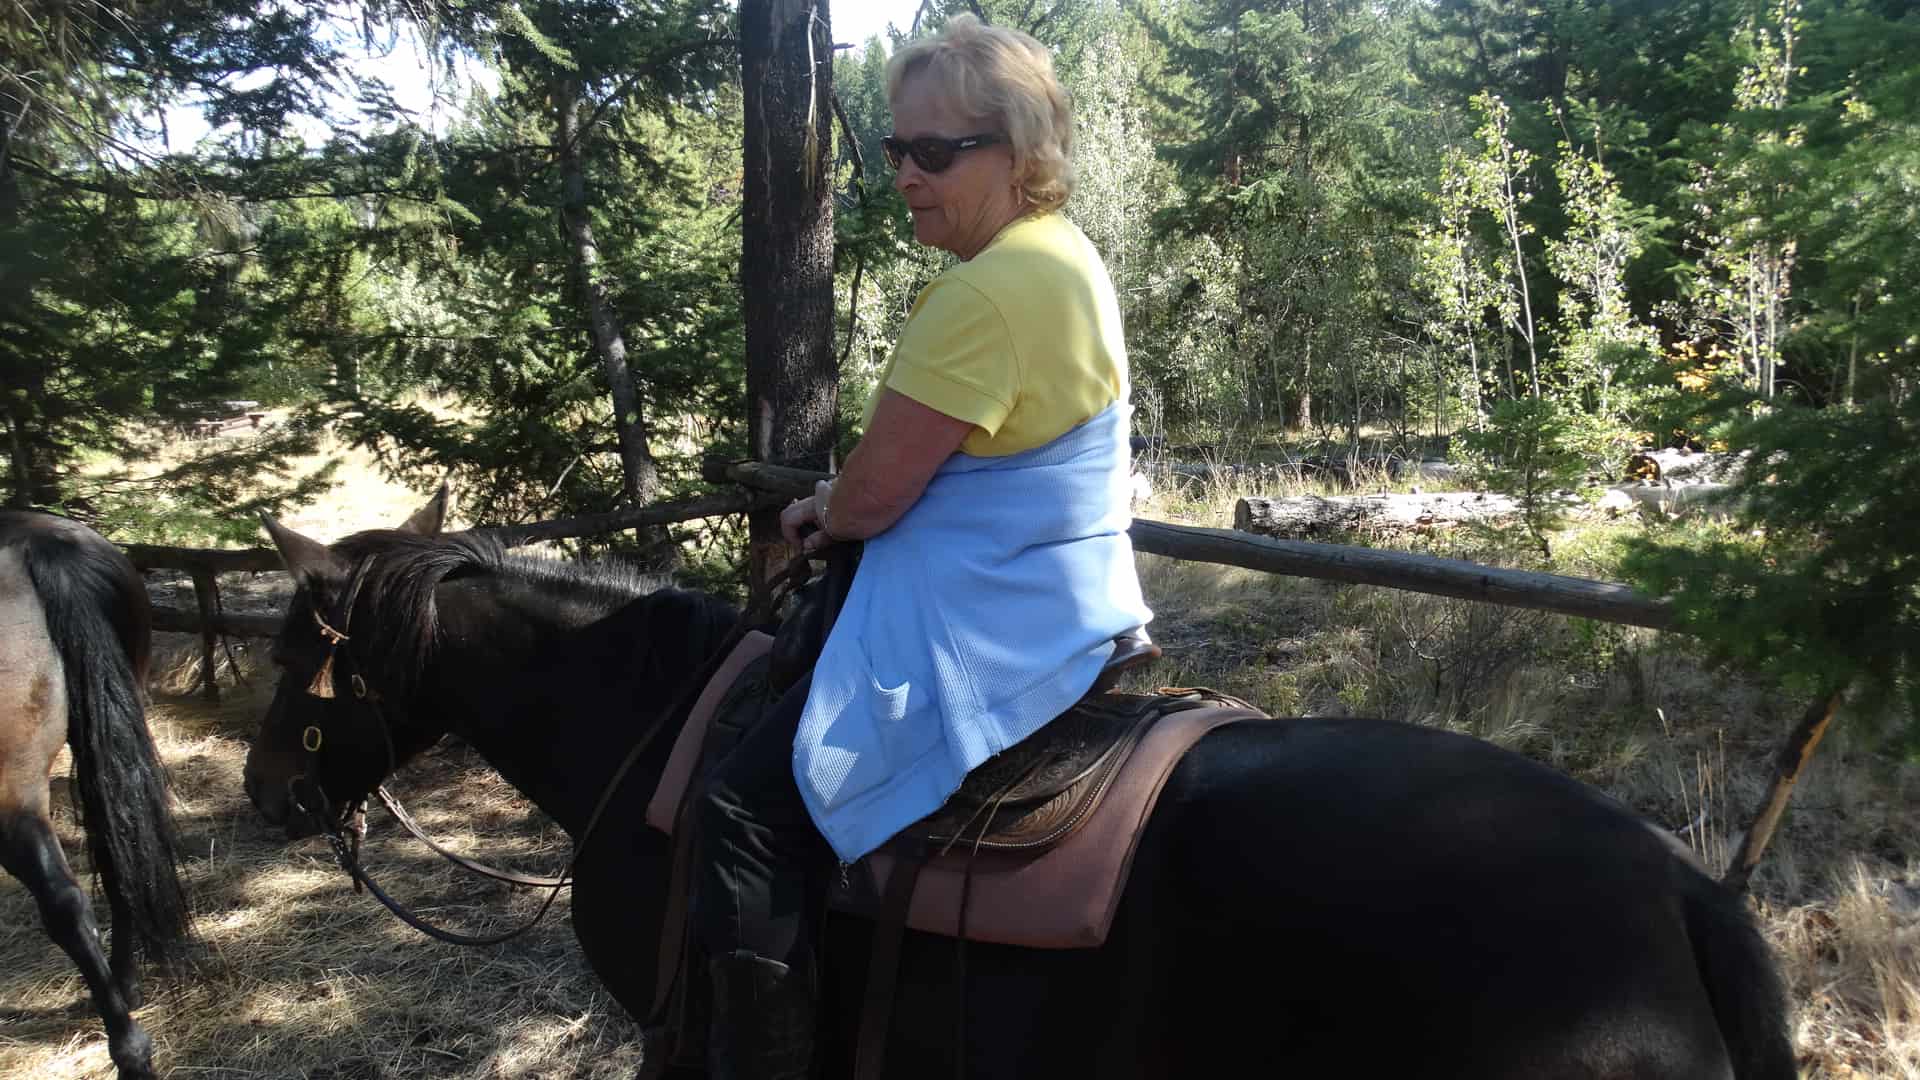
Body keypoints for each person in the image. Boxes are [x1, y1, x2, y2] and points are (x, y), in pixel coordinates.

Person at [691, 16, 1152, 1079]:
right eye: (896, 149)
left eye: (935, 152)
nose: (904, 174)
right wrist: (842, 498)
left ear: (1020, 149)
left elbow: (877, 496)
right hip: (1066, 597)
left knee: (744, 804)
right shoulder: (1063, 258)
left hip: (984, 623)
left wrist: (826, 508)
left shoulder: (980, 291)